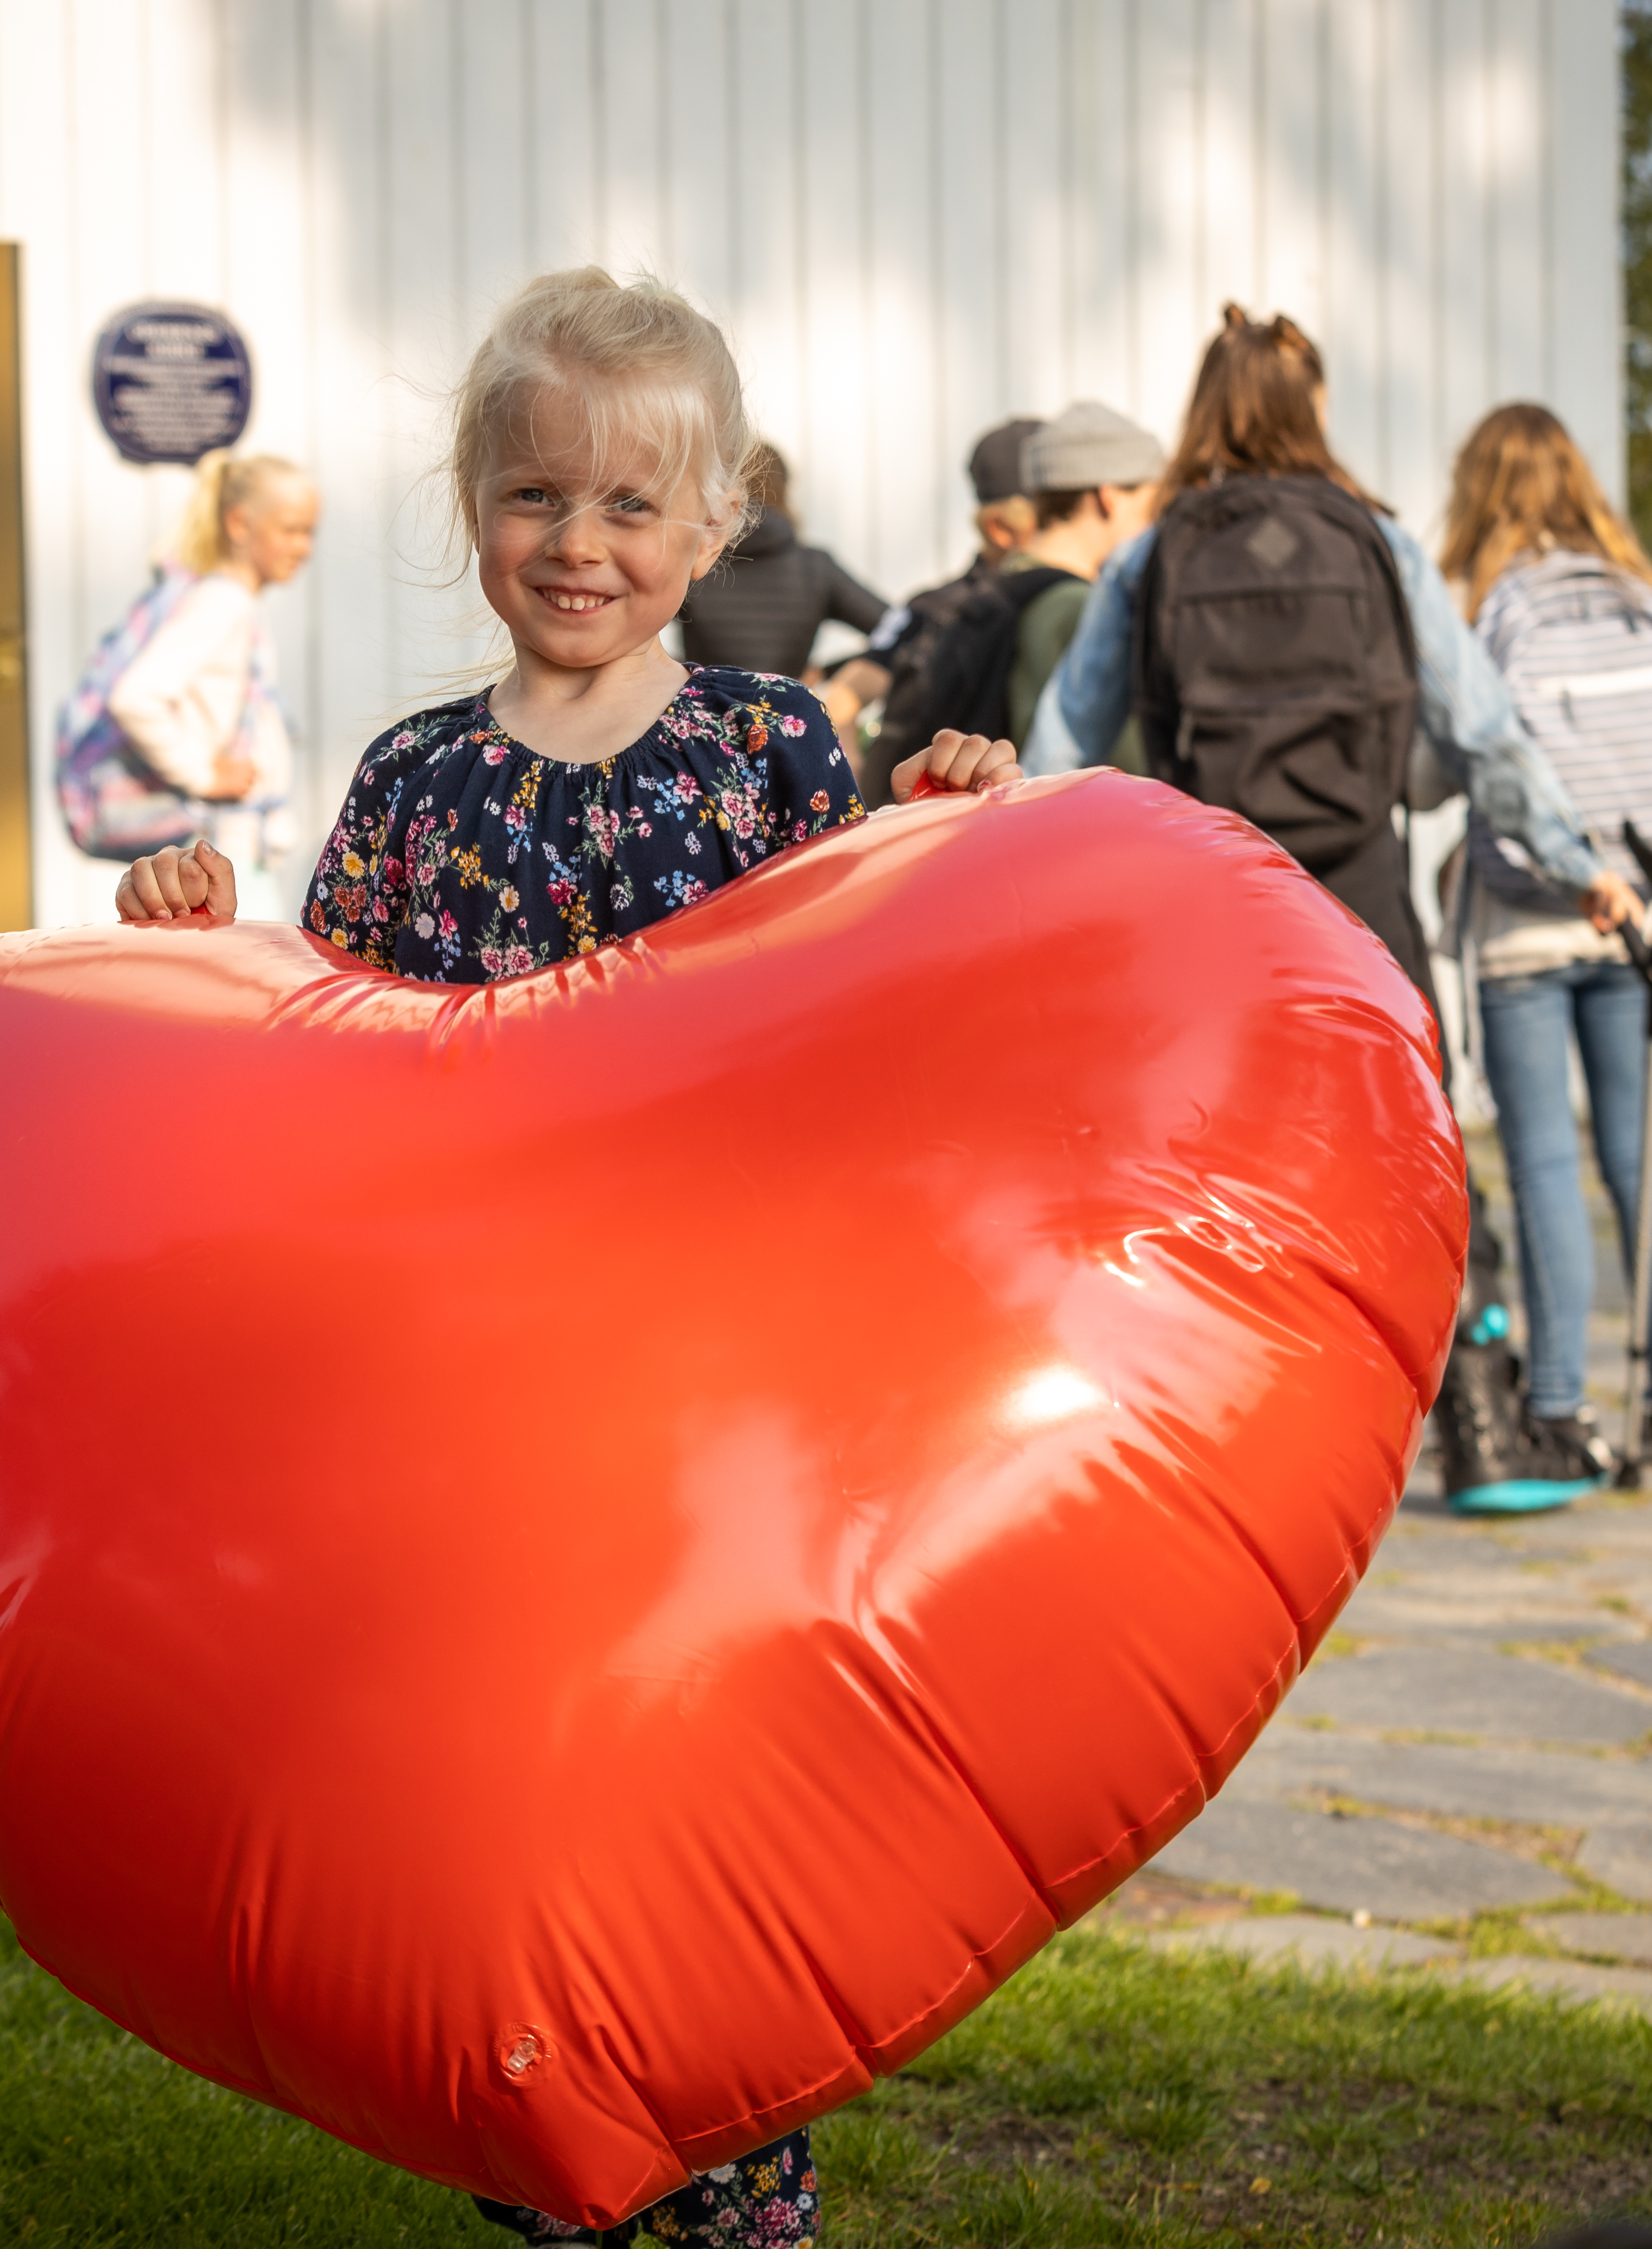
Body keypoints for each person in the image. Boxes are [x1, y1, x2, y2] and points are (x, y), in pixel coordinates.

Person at [112, 266, 1018, 2247]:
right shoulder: (412, 781)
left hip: (720, 1401)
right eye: (535, 495)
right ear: (473, 507)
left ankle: (738, 2185)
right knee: (516, 1805)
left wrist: (956, 826)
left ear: (716, 521)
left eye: (629, 502)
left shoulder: (774, 751)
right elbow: (322, 1052)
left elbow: (883, 1003)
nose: (579, 542)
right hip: (484, 1402)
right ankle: (545, 2175)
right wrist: (195, 939)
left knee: (707, 1798)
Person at [1034, 308, 1637, 1513]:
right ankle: (1482, 1425)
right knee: (1420, 1153)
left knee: (1219, 1163)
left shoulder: (1152, 556)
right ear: (1310, 410)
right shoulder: (1377, 541)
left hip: (1211, 900)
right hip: (1362, 896)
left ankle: (1233, 1453)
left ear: (1204, 411)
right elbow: (1483, 731)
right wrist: (1575, 862)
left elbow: (1064, 738)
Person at [1438, 403, 1652, 1471]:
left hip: (1525, 921)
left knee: (1545, 1162)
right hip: (1640, 912)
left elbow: (1457, 757)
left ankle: (1561, 1405)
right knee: (1642, 1159)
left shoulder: (1489, 612)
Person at [62, 452, 318, 866]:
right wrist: (203, 775)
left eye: (310, 532)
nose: (304, 547)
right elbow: (134, 698)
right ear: (238, 524)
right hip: (219, 846)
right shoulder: (222, 603)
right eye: (291, 530)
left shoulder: (234, 602)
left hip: (233, 839)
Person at [835, 416, 1043, 803]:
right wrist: (849, 793)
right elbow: (843, 699)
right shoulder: (935, 610)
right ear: (1001, 528)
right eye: (1054, 518)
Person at [1001, 404, 1163, 742]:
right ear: (1110, 498)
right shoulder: (1077, 607)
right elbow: (1120, 756)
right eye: (1153, 506)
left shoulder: (1007, 579)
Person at [674, 440, 888, 685]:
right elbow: (905, 631)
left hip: (704, 706)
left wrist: (677, 672)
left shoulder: (696, 562)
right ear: (784, 491)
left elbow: (640, 632)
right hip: (787, 707)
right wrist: (825, 673)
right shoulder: (815, 568)